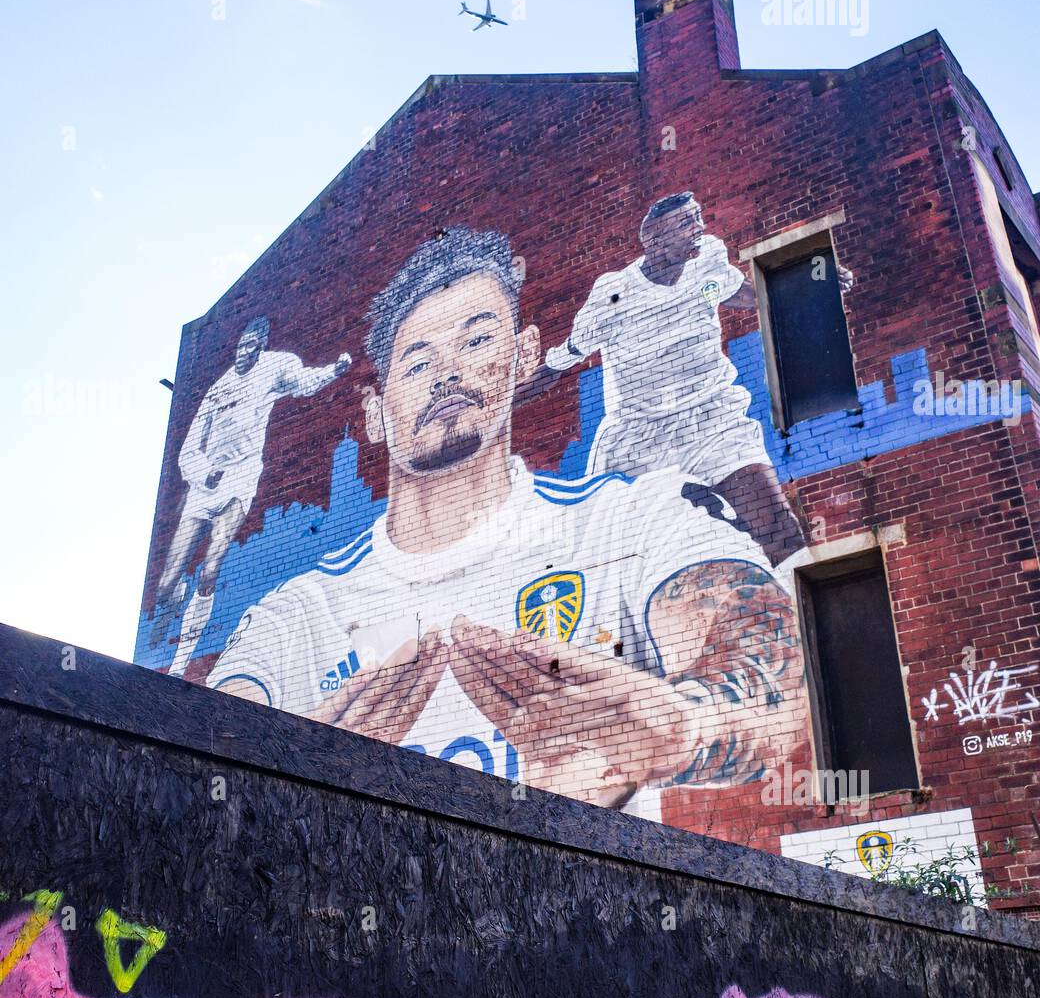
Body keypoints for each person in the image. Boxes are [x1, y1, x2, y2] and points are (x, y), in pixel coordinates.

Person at [207, 229, 807, 818]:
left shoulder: (632, 518)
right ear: (374, 412)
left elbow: (765, 658)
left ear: (522, 357)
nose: (447, 374)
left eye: (476, 341)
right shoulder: (298, 614)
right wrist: (278, 776)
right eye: (417, 364)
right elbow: (197, 758)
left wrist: (681, 725)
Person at [543, 191, 852, 568]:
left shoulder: (708, 257)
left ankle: (798, 599)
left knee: (779, 529)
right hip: (639, 437)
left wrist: (804, 283)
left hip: (712, 419)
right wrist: (509, 392)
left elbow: (738, 293)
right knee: (625, 561)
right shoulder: (613, 295)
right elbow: (565, 357)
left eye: (698, 218)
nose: (699, 228)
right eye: (686, 223)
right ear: (654, 240)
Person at [151, 316, 352, 677]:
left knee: (212, 567)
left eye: (252, 347)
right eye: (242, 346)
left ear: (261, 347)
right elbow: (187, 451)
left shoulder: (275, 366)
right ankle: (177, 592)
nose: (246, 352)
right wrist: (203, 472)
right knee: (165, 586)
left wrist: (334, 371)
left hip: (240, 478)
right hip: (203, 486)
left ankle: (180, 665)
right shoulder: (218, 388)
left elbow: (304, 381)